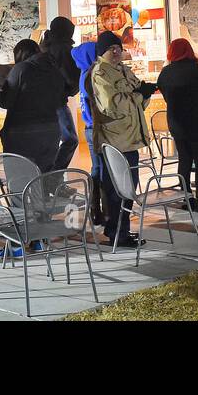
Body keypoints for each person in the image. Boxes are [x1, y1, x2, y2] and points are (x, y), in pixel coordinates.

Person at [88, 31, 152, 248]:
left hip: (130, 137)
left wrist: (146, 93)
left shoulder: (122, 70)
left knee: (128, 187)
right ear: (102, 52)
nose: (116, 52)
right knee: (117, 189)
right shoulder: (100, 73)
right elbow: (112, 105)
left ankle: (121, 229)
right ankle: (117, 232)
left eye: (118, 48)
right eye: (111, 49)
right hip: (115, 140)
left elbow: (136, 102)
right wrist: (139, 95)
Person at [155, 38, 198, 211]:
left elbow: (166, 96)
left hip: (177, 123)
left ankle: (186, 198)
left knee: (184, 160)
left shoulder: (165, 73)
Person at [0, 38, 69, 172]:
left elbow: (5, 102)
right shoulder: (54, 69)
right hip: (51, 131)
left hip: (21, 134)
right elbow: (62, 98)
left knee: (21, 181)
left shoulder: (21, 69)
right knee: (43, 178)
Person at [40, 16, 83, 170]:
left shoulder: (44, 46)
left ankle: (51, 180)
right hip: (57, 101)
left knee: (51, 143)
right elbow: (71, 77)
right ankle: (53, 180)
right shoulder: (64, 49)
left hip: (42, 102)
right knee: (70, 140)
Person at [72, 40, 107, 226]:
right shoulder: (92, 75)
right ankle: (100, 210)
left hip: (89, 127)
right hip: (97, 129)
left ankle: (96, 210)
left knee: (97, 168)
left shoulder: (83, 72)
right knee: (101, 170)